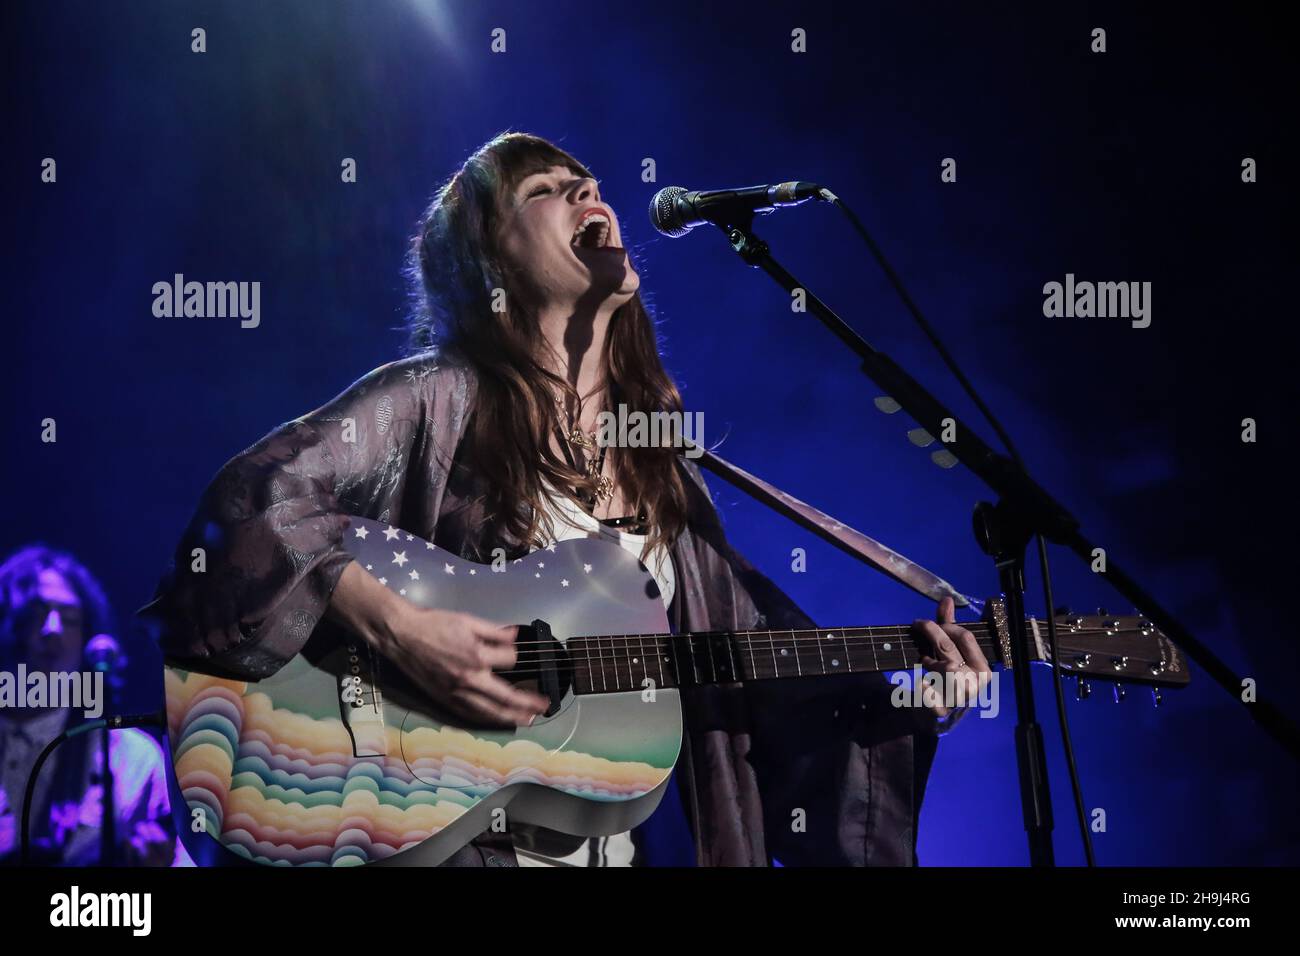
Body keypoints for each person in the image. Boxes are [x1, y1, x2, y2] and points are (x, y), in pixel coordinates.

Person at [142, 132, 990, 867]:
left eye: (587, 183)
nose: (588, 192)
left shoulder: (671, 483)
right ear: (490, 263)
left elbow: (777, 709)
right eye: (543, 191)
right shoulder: (434, 402)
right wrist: (400, 626)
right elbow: (246, 508)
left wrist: (910, 702)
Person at [0, 545, 179, 866]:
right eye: (36, 612)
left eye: (68, 619)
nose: (51, 629)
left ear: (87, 639)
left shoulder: (131, 759)